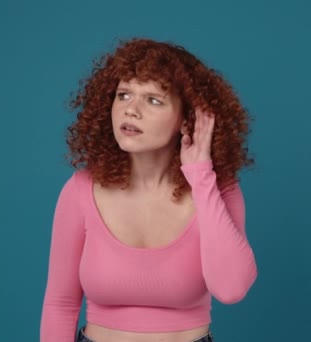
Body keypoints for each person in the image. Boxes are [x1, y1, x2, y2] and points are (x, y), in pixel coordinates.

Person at [40, 37, 258, 342]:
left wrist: (200, 176)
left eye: (153, 100)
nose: (131, 110)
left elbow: (231, 288)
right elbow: (60, 305)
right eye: (124, 95)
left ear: (186, 118)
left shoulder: (218, 191)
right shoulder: (80, 191)